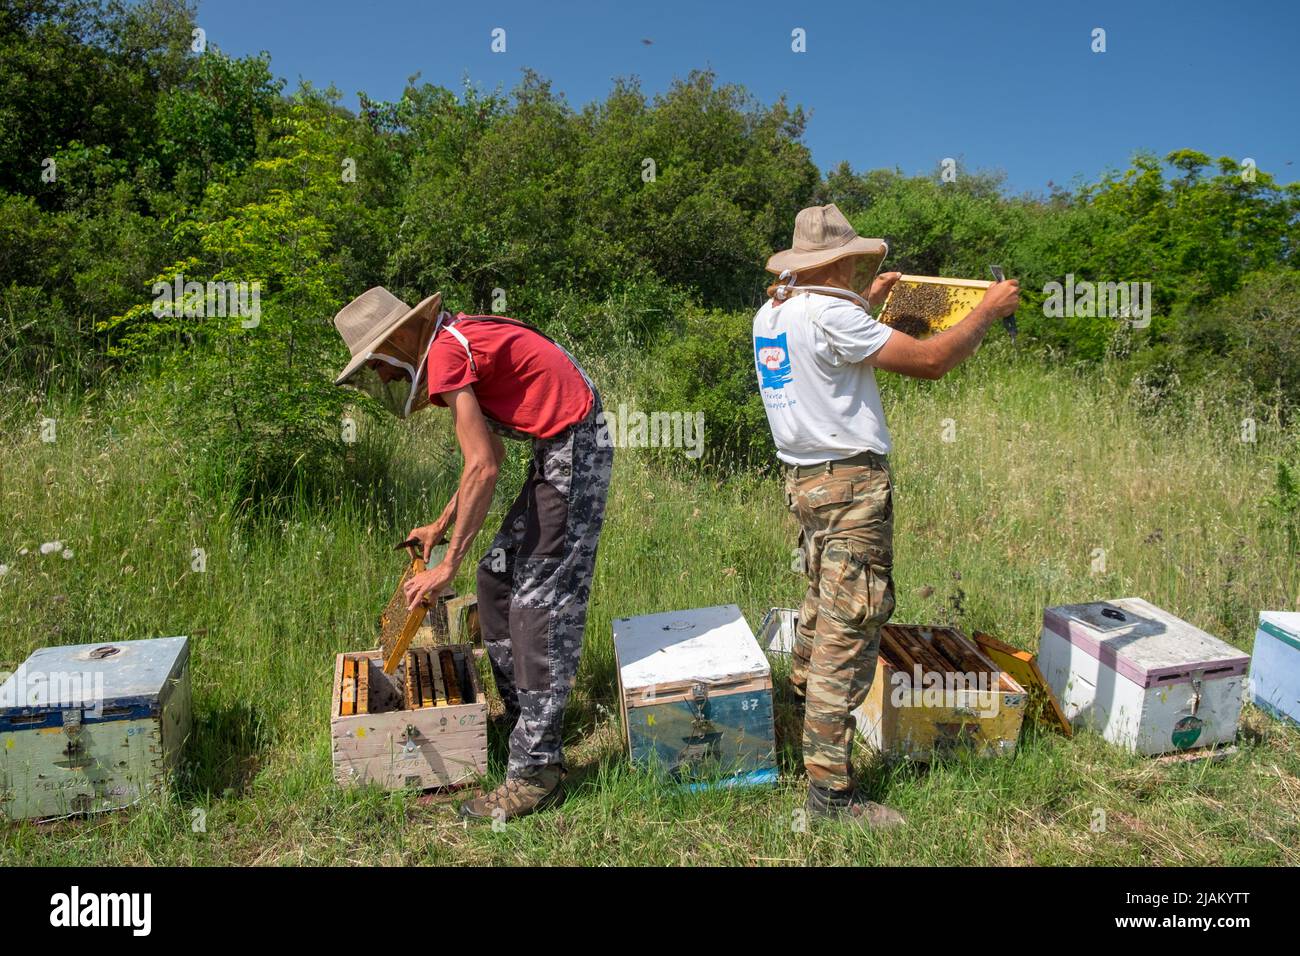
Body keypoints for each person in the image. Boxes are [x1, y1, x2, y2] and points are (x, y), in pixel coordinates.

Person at [753, 204, 1019, 830]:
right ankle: (830, 800)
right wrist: (985, 312)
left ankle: (801, 745)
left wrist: (868, 301)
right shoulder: (834, 314)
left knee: (820, 618)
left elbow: (830, 351)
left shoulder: (773, 312)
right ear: (839, 261)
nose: (863, 267)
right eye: (857, 261)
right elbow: (930, 361)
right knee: (849, 634)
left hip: (806, 487)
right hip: (851, 489)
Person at [331, 286, 612, 821]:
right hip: (558, 446)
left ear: (401, 340)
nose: (385, 379)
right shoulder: (450, 343)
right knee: (496, 581)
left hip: (576, 444)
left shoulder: (444, 352)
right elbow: (492, 455)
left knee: (537, 606)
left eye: (381, 366)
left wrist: (447, 565)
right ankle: (523, 717)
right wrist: (440, 526)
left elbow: (483, 465)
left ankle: (538, 771)